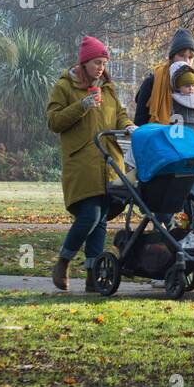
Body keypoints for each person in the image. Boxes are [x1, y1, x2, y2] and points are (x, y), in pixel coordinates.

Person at [47, 35, 134, 293]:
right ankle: (63, 261)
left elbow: (119, 114)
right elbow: (54, 122)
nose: (101, 68)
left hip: (109, 162)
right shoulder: (65, 86)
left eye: (104, 63)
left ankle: (93, 276)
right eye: (97, 62)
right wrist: (81, 106)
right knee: (90, 215)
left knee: (102, 218)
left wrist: (128, 126)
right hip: (81, 163)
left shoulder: (108, 88)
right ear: (84, 63)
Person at [134, 28, 194, 209]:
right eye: (182, 55)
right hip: (164, 156)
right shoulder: (154, 81)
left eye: (191, 56)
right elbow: (141, 121)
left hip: (192, 156)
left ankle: (189, 234)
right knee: (165, 212)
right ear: (172, 57)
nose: (186, 60)